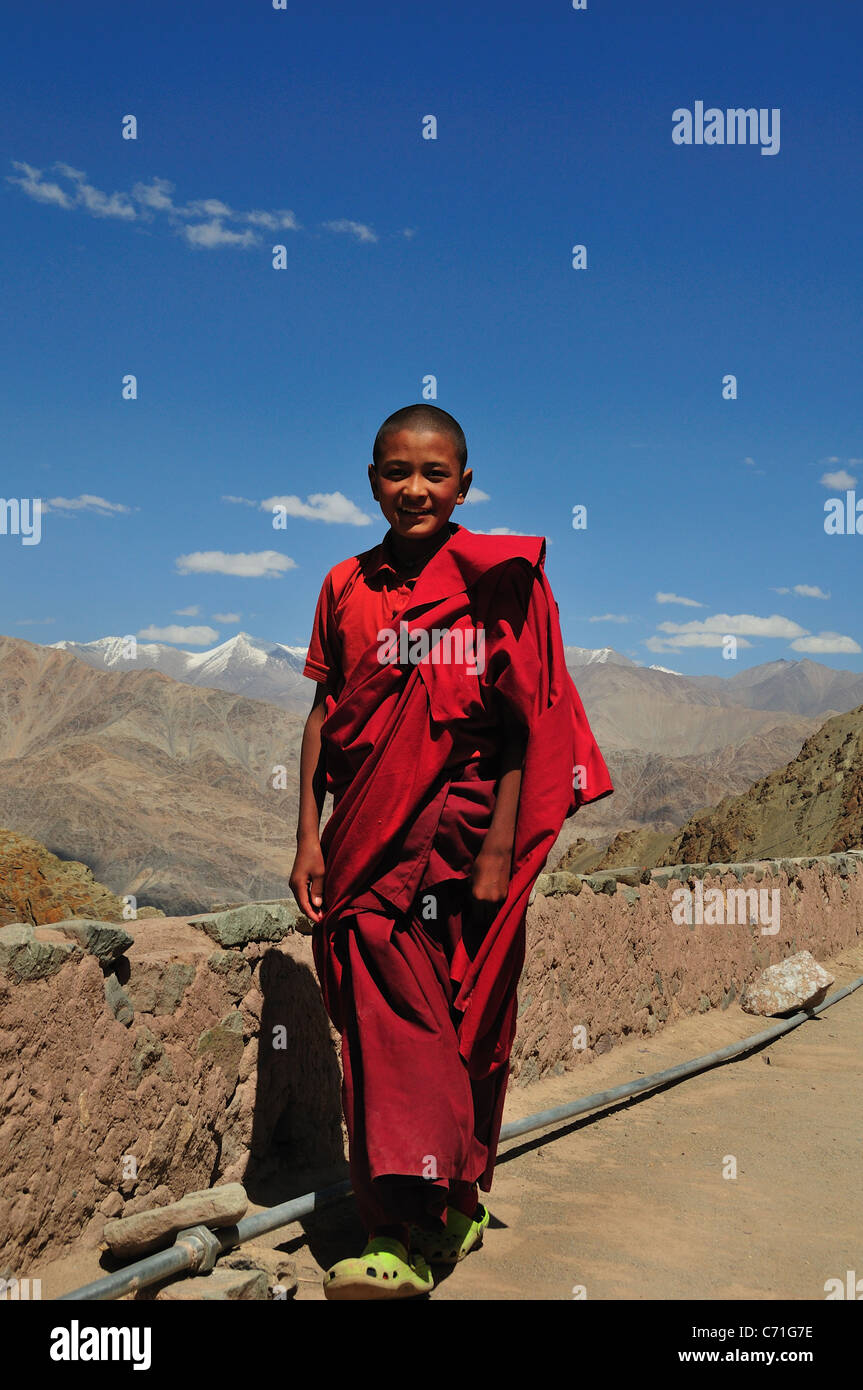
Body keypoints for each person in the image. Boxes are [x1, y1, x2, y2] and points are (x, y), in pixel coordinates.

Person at [290, 404, 612, 1299]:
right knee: (394, 1024)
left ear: (464, 484)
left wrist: (500, 847)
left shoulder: (498, 581)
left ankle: (423, 1218)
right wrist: (308, 834)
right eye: (396, 471)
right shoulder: (344, 586)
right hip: (365, 837)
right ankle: (421, 1218)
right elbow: (325, 714)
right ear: (371, 481)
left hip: (465, 834)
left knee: (460, 1016)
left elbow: (525, 726)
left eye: (434, 474)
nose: (415, 489)